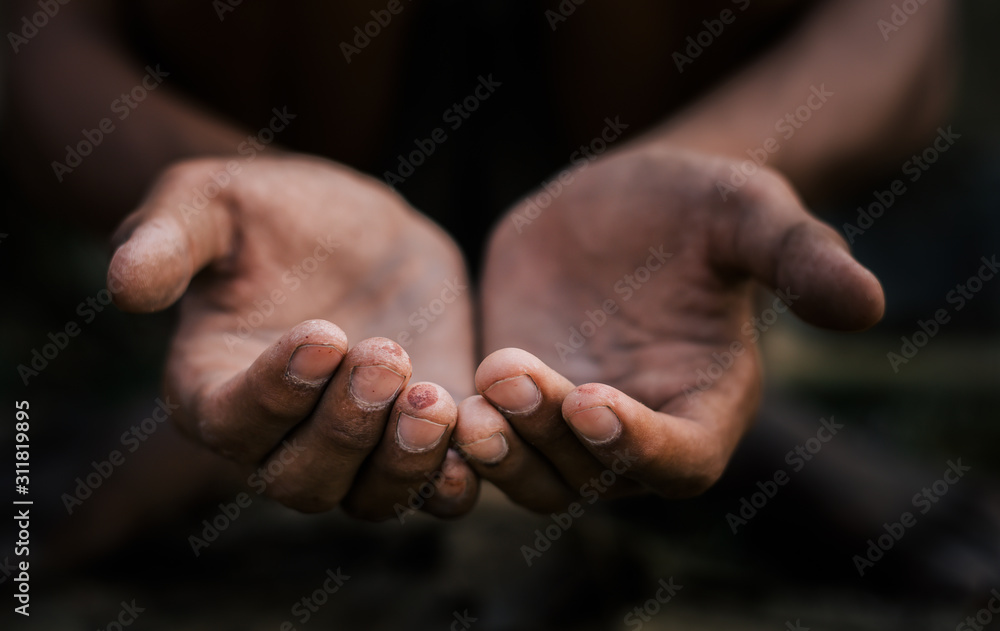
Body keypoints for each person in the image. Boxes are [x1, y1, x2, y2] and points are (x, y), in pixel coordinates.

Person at [5, 0, 955, 523]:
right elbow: (38, 32)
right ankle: (251, 377)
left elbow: (900, 21)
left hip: (647, 105)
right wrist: (217, 190)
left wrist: (722, 170)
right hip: (290, 110)